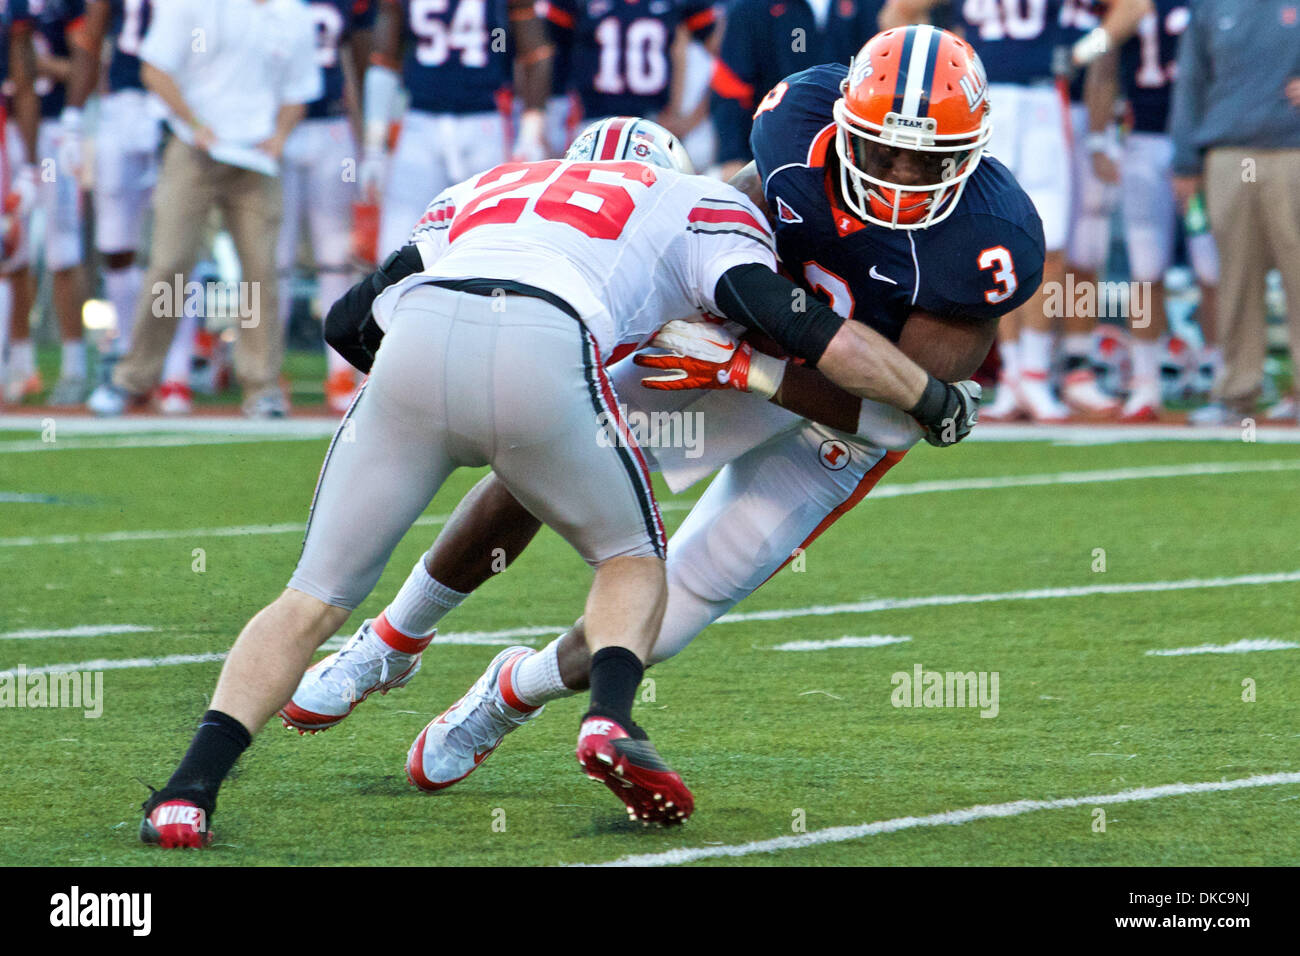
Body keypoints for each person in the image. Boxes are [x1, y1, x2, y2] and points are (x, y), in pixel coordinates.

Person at [138, 113, 981, 848]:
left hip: (820, 405)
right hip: (605, 349)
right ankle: (565, 699)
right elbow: (791, 316)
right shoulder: (710, 197)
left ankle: (191, 789)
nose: (898, 175)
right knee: (629, 560)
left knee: (310, 594)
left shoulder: (496, 181)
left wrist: (420, 391)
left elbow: (345, 321)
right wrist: (936, 403)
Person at [281, 27, 1040, 798]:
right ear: (845, 125)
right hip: (742, 336)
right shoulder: (796, 120)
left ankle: (508, 696)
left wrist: (752, 369)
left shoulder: (989, 239)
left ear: (972, 152)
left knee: (675, 612)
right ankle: (393, 636)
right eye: (884, 152)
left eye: (932, 160)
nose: (905, 176)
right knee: (551, 447)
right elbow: (727, 208)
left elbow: (901, 413)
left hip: (836, 417)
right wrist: (711, 313)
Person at [87, 0, 322, 419]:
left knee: (261, 271)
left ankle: (262, 386)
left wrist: (281, 135)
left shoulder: (294, 16)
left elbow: (298, 93)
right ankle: (132, 379)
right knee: (170, 265)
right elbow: (154, 70)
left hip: (257, 156)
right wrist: (194, 123)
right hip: (194, 149)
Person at [1169, 0, 1300, 425]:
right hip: (1229, 154)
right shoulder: (1210, 6)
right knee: (1237, 279)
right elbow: (1191, 82)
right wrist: (1185, 160)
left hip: (1292, 152)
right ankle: (1236, 393)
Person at [359, 0, 553, 261]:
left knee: (486, 247)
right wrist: (530, 133)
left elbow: (383, 61)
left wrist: (374, 144)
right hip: (436, 123)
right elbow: (537, 56)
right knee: (399, 246)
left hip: (468, 122)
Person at [278, 0, 375, 413]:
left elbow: (361, 68)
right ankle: (266, 369)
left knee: (335, 257)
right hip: (275, 126)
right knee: (273, 259)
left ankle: (340, 369)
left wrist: (366, 142)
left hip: (331, 126)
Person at [710, 0, 885, 180]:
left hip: (858, 150)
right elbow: (731, 88)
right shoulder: (750, 8)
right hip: (772, 151)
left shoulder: (875, 6)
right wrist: (731, 155)